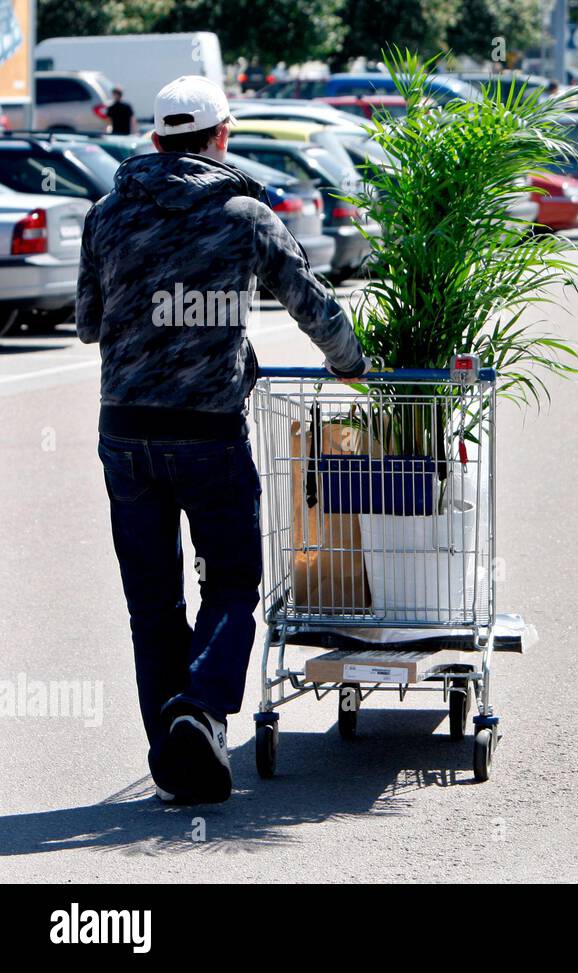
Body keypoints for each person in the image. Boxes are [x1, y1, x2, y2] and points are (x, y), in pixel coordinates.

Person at [76, 76, 368, 804]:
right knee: (234, 579)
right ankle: (199, 708)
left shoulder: (106, 214)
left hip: (128, 433)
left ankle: (173, 750)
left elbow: (86, 322)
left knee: (151, 603)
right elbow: (313, 302)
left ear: (152, 141)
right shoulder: (245, 214)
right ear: (223, 137)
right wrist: (354, 365)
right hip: (209, 432)